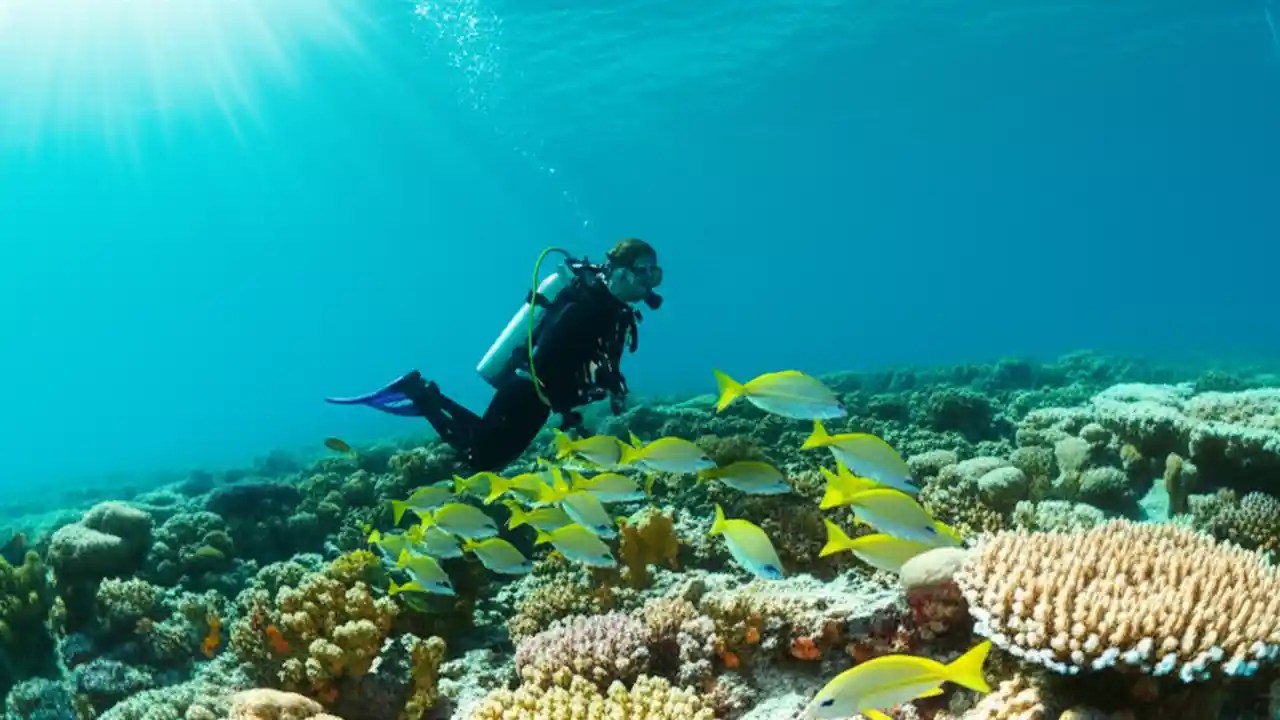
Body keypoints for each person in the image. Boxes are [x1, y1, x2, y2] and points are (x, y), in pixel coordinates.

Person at [325, 239, 663, 472]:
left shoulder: (607, 307)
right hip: (527, 393)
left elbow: (590, 360)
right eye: (647, 271)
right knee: (480, 457)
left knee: (484, 450)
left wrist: (605, 388)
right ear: (621, 272)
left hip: (532, 393)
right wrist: (567, 407)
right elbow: (550, 358)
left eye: (655, 273)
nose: (652, 282)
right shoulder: (589, 307)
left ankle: (425, 393)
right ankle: (421, 394)